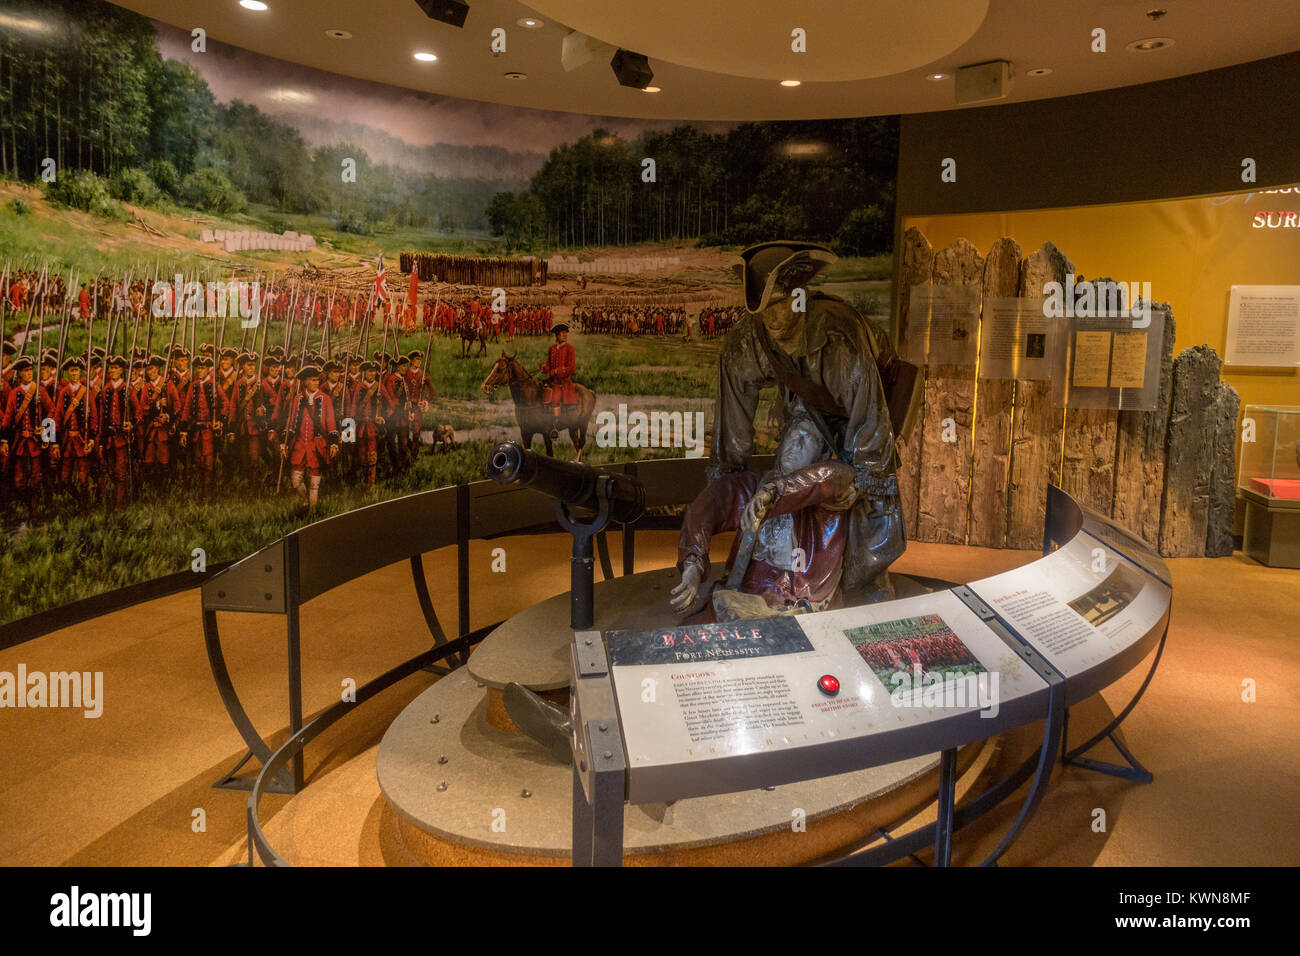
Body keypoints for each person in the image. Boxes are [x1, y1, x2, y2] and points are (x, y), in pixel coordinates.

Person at [706, 240, 904, 604]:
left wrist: (866, 474)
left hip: (869, 407)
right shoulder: (750, 337)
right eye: (763, 310)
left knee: (858, 491)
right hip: (808, 409)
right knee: (790, 471)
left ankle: (869, 577)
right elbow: (734, 397)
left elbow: (869, 410)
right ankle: (786, 578)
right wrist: (729, 473)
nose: (772, 319)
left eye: (779, 305)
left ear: (798, 296)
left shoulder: (839, 334)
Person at [671, 403, 857, 622]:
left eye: (806, 440)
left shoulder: (830, 497)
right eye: (790, 437)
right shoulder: (757, 485)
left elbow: (832, 476)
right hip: (744, 592)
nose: (793, 446)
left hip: (797, 600)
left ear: (822, 453)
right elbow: (711, 503)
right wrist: (693, 563)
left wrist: (775, 491)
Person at [281, 365, 340, 515]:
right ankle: (305, 500)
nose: (316, 383)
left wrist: (333, 442)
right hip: (300, 445)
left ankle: (312, 511)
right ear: (306, 382)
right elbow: (291, 421)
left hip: (317, 444)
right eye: (313, 380)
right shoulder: (298, 399)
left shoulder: (325, 399)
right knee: (296, 481)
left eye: (317, 380)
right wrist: (284, 443)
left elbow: (331, 422)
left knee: (314, 482)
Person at [538, 323, 577, 441]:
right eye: (562, 333)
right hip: (552, 380)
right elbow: (549, 364)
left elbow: (571, 367)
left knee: (554, 399)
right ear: (557, 335)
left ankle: (555, 427)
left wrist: (557, 371)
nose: (565, 335)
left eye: (566, 333)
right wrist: (544, 367)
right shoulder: (552, 349)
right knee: (541, 394)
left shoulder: (570, 349)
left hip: (563, 382)